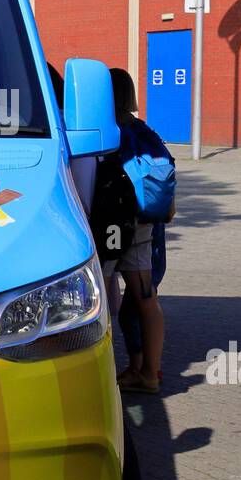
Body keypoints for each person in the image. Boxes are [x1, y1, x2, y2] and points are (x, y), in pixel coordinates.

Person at [104, 67, 174, 393]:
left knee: (102, 299)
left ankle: (103, 373)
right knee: (146, 299)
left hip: (112, 225)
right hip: (145, 225)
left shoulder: (106, 131)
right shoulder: (146, 132)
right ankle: (150, 372)